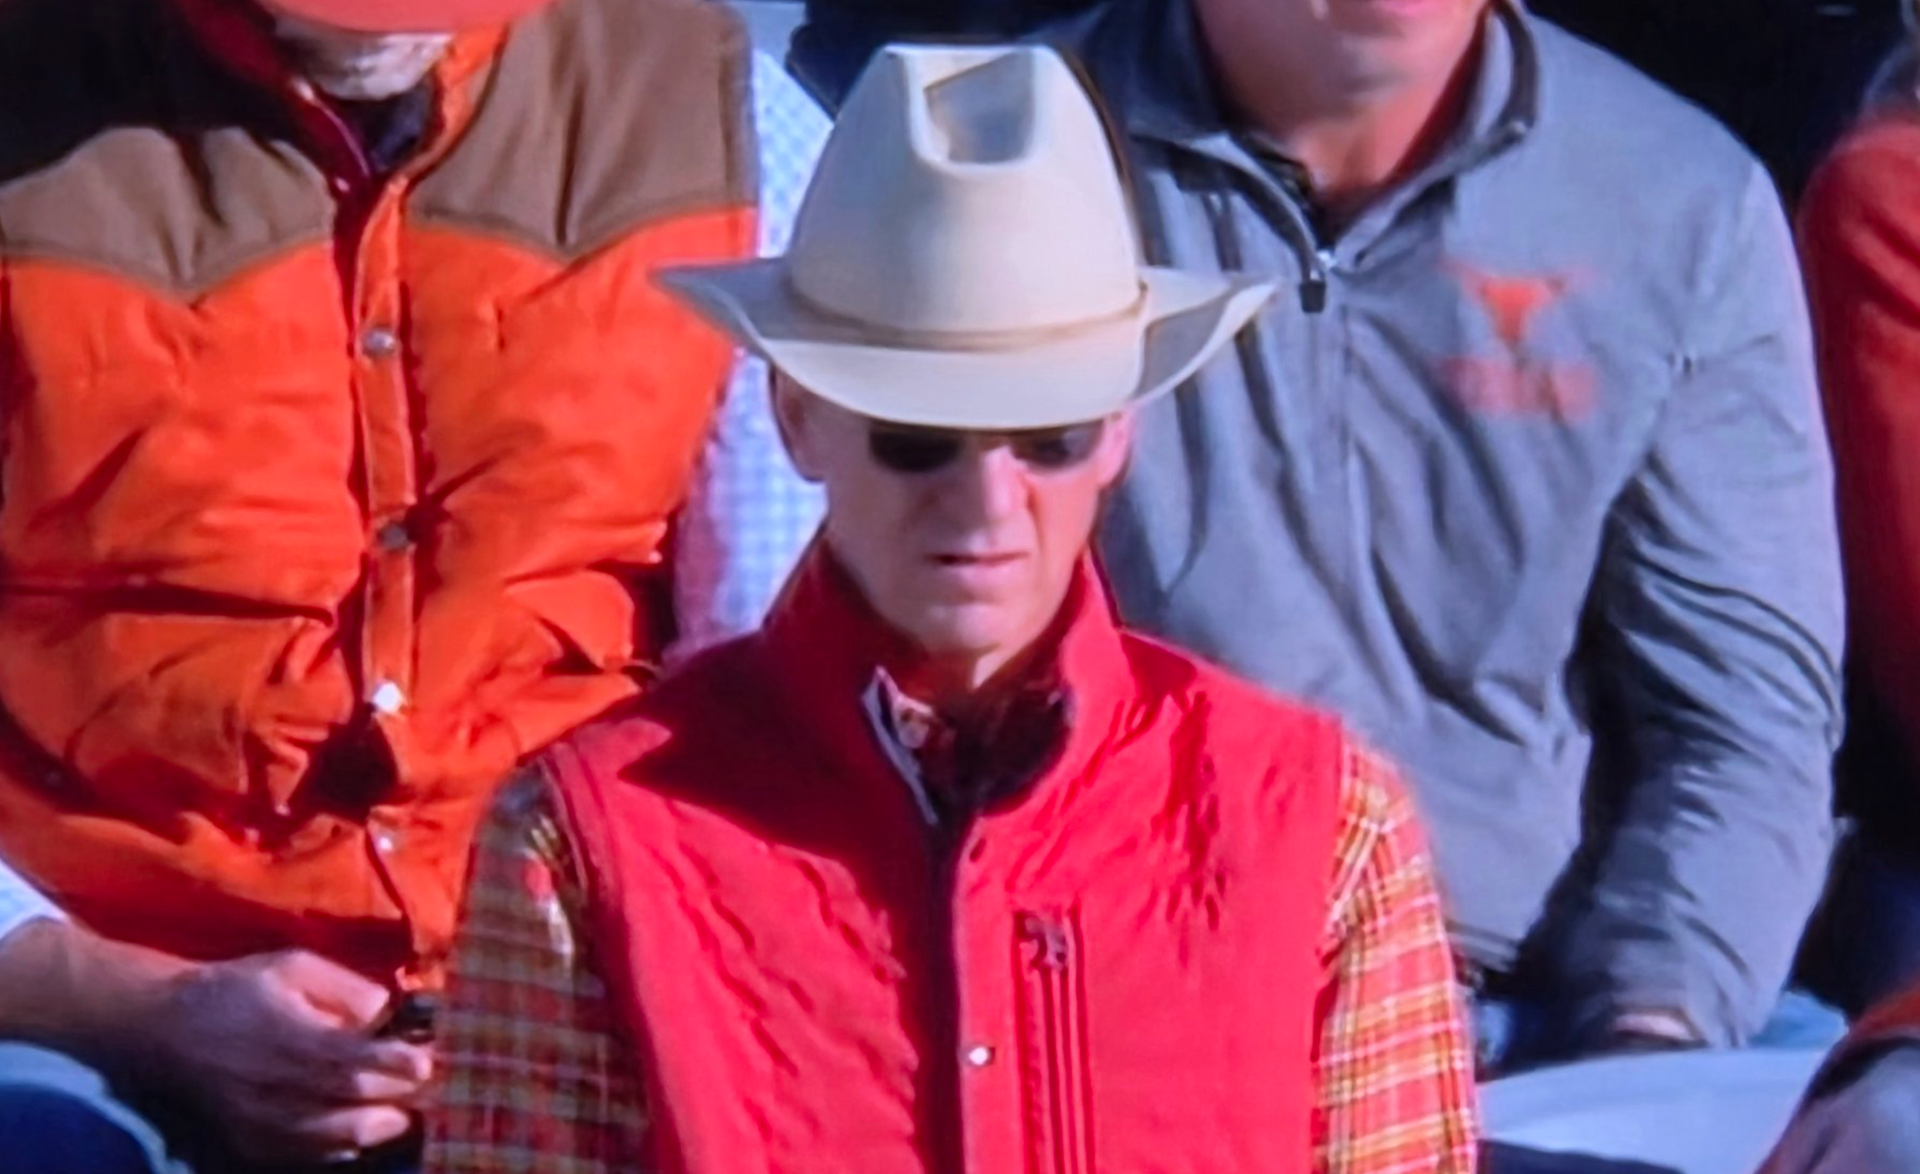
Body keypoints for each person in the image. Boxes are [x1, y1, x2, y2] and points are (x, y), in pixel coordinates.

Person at [425, 44, 1478, 1174]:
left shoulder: (1328, 825)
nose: (987, 501)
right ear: (797, 421)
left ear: (1118, 432)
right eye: (918, 439)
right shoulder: (580, 837)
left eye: (1049, 435)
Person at [0, 0, 828, 1168]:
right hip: (97, 1011)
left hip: (586, 983)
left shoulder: (727, 118)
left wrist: (611, 989)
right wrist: (135, 1004)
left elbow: (779, 676)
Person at [1042, 0, 1846, 1073]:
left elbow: (1746, 726)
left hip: (1539, 1022)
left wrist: (1651, 1034)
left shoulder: (1680, 201)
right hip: (1119, 1001)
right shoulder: (998, 153)